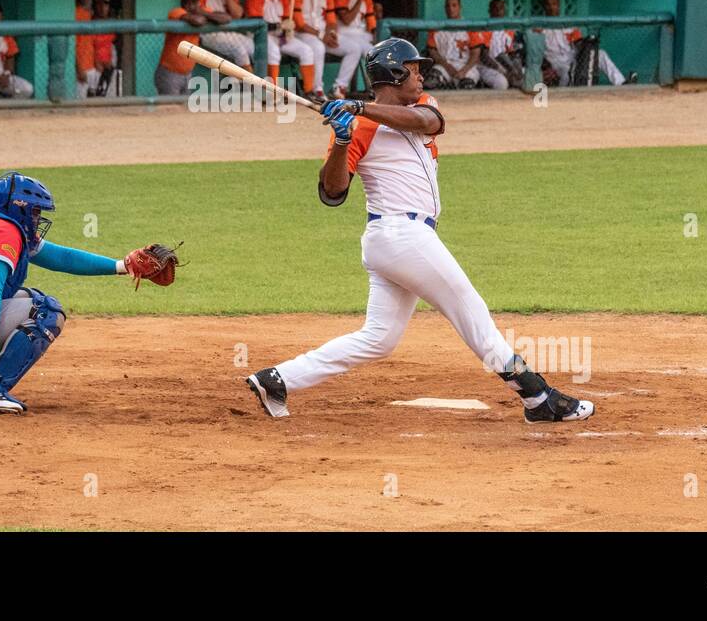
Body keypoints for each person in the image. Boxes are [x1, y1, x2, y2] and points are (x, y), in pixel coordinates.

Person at [245, 40, 594, 424]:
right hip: (398, 236)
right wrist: (341, 144)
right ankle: (537, 397)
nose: (421, 75)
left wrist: (361, 107)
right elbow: (332, 192)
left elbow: (429, 123)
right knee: (471, 311)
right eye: (413, 69)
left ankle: (276, 379)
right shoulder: (356, 127)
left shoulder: (422, 107)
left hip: (402, 242)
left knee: (379, 338)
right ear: (394, 74)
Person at [0, 173, 177, 414]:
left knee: (27, 298)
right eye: (36, 211)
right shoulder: (3, 231)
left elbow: (61, 257)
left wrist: (123, 266)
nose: (38, 217)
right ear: (20, 208)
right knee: (45, 311)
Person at [245, 0, 318, 95]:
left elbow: (286, 19)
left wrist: (288, 28)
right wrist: (279, 25)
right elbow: (257, 24)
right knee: (273, 52)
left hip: (280, 37)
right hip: (260, 36)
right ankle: (272, 91)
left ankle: (309, 92)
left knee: (306, 50)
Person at [539, 0, 629, 86]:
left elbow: (579, 42)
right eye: (548, 4)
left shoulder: (568, 24)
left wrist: (588, 44)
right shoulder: (538, 27)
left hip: (572, 58)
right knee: (566, 72)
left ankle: (621, 83)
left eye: (554, 4)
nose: (552, 7)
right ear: (544, 7)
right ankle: (567, 97)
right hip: (556, 63)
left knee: (601, 54)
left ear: (558, 5)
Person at [426, 0, 508, 90]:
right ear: (445, 8)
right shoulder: (436, 28)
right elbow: (433, 52)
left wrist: (463, 71)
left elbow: (475, 54)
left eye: (454, 5)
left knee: (466, 86)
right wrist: (447, 67)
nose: (451, 9)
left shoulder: (469, 26)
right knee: (432, 82)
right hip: (444, 66)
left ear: (460, 7)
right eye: (448, 6)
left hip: (467, 67)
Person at [196, 0, 253, 72]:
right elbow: (213, 18)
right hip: (211, 34)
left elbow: (237, 15)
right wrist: (222, 16)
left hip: (231, 33)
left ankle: (249, 83)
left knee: (253, 46)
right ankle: (254, 87)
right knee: (239, 50)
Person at [328, 0, 377, 97]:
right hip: (342, 33)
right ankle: (339, 87)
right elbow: (347, 20)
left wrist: (376, 39)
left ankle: (377, 87)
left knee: (374, 52)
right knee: (355, 48)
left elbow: (372, 24)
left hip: (360, 34)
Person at [155, 0, 209, 96]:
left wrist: (203, 13)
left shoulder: (200, 13)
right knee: (170, 110)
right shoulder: (176, 12)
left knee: (184, 110)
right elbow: (198, 21)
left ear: (198, 3)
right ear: (183, 4)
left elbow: (224, 18)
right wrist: (204, 15)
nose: (191, 5)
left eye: (193, 2)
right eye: (188, 3)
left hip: (187, 74)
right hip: (170, 73)